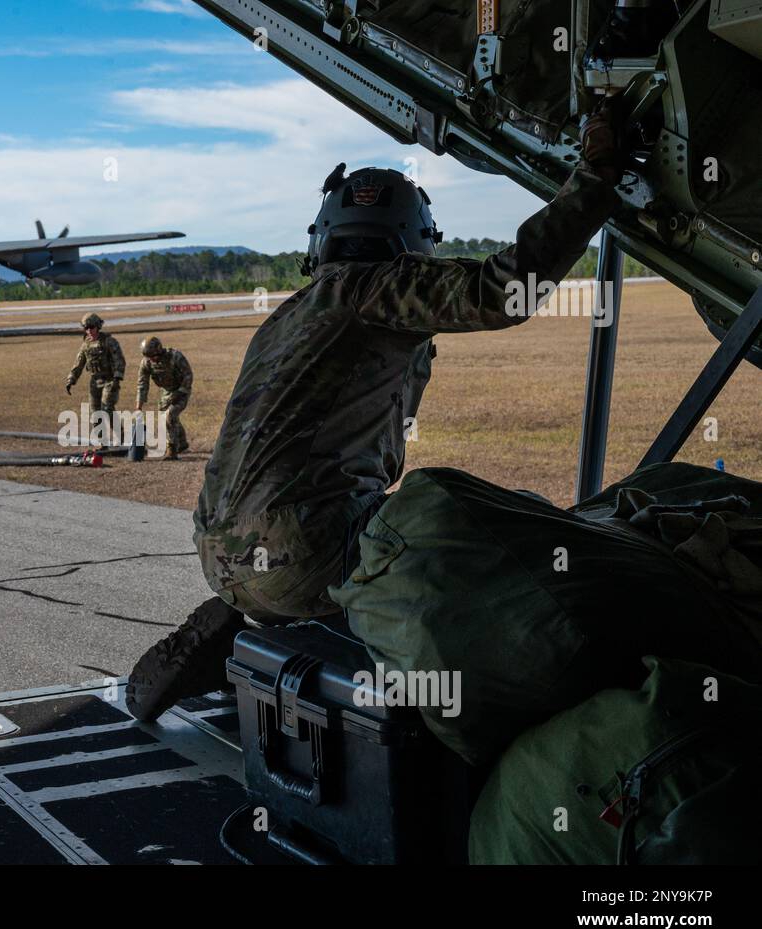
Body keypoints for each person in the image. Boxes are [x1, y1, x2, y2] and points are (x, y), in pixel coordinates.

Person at [125, 101, 626, 721]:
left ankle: (242, 634)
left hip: (218, 553)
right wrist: (597, 178)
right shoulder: (368, 291)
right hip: (305, 555)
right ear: (409, 241)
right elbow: (506, 289)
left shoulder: (292, 313)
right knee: (475, 521)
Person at [66, 313, 125, 442]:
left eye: (91, 327)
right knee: (95, 412)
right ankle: (101, 442)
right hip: (94, 382)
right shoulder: (85, 344)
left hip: (109, 380)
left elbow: (119, 360)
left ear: (98, 326)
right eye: (86, 328)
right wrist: (71, 379)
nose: (89, 331)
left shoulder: (109, 342)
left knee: (107, 408)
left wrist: (117, 378)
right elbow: (79, 363)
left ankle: (121, 438)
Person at [136, 337, 192, 460]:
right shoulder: (146, 362)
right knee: (167, 418)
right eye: (148, 356)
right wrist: (139, 405)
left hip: (182, 390)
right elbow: (142, 383)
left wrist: (180, 392)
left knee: (169, 415)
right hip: (166, 392)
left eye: (153, 356)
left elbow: (188, 375)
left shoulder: (175, 356)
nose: (152, 359)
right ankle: (182, 443)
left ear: (159, 351)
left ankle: (171, 450)